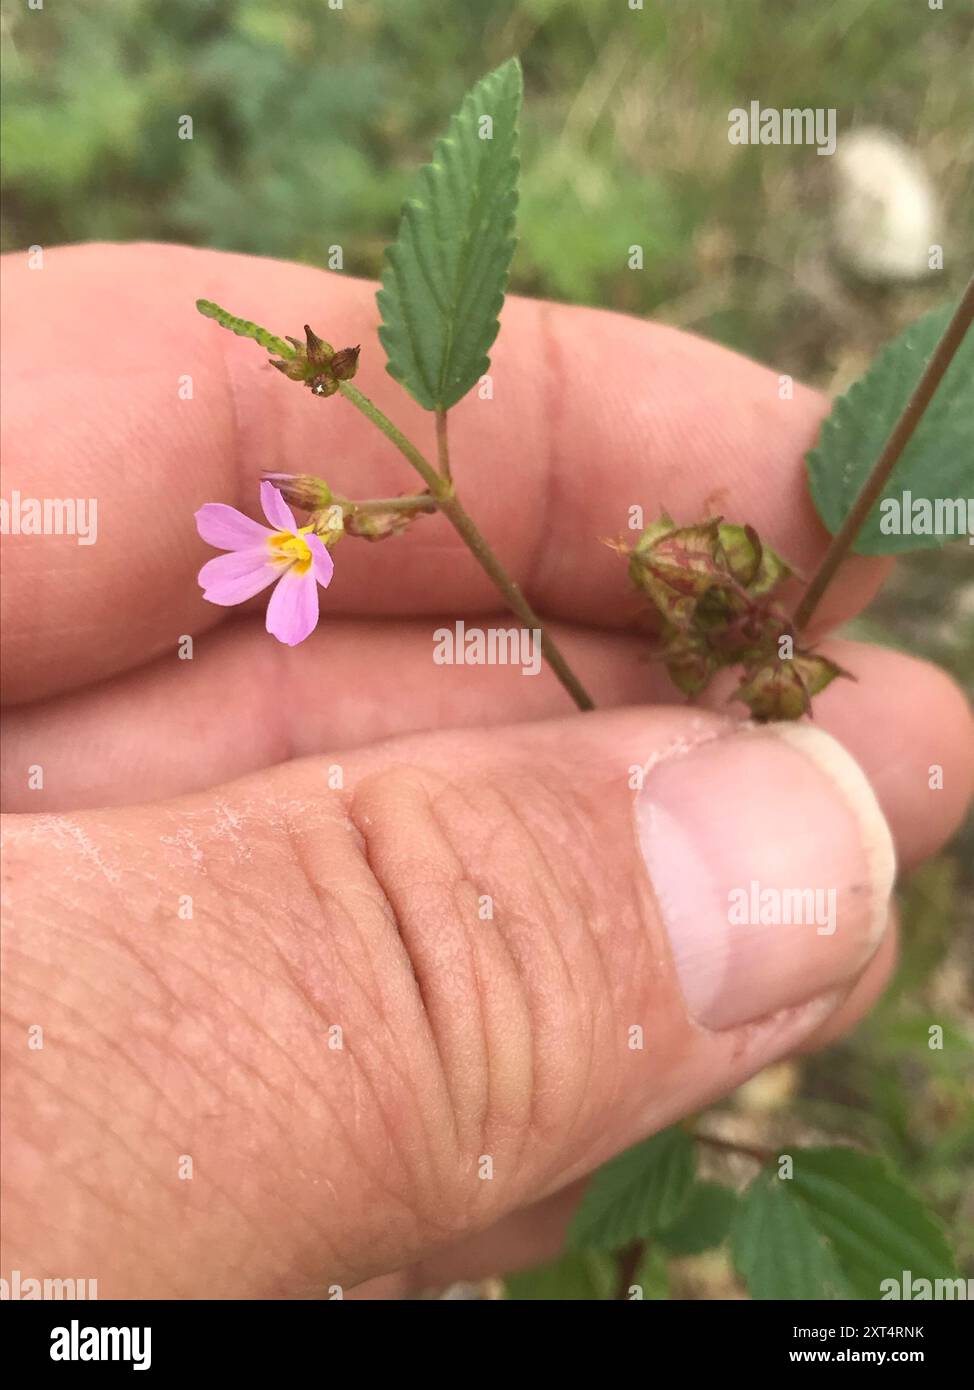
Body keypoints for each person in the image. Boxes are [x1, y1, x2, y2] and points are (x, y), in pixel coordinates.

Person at [1, 244, 971, 1299]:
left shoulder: (343, 505)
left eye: (295, 539)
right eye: (293, 539)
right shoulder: (316, 530)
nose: (296, 544)